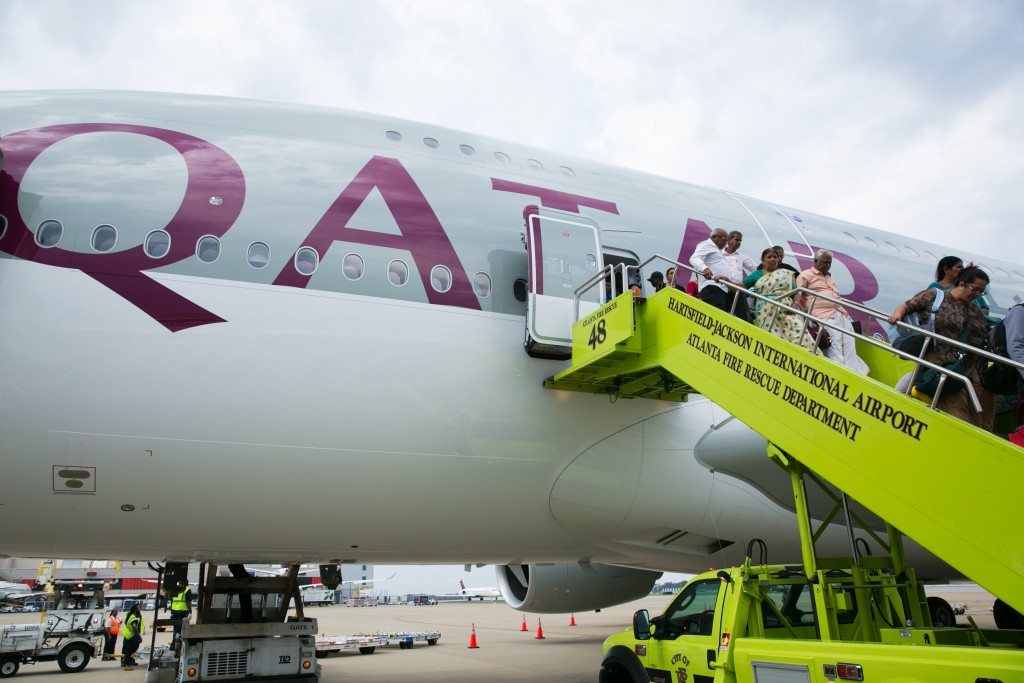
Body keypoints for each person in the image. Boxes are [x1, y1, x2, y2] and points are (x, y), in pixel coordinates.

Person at [886, 266, 995, 429]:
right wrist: (897, 315)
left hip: (970, 365)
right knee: (958, 413)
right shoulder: (936, 297)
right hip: (941, 362)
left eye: (982, 291)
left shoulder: (974, 310)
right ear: (962, 284)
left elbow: (981, 335)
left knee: (980, 417)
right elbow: (907, 306)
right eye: (975, 289)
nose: (978, 295)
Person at [796, 249, 868, 374]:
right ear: (815, 261)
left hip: (840, 314)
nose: (827, 265)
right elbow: (798, 293)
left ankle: (853, 373)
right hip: (822, 317)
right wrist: (794, 304)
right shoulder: (806, 275)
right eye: (824, 262)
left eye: (829, 263)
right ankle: (837, 373)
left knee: (848, 345)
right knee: (834, 347)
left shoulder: (829, 277)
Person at [750, 250, 816, 352]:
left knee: (800, 336)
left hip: (788, 309)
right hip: (766, 309)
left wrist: (795, 305)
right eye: (769, 257)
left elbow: (796, 292)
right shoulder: (757, 275)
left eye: (775, 257)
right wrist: (726, 279)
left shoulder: (786, 274)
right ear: (762, 261)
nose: (772, 259)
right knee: (774, 337)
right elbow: (740, 286)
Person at [689, 228, 750, 321]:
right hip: (712, 286)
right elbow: (694, 258)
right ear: (714, 237)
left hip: (722, 288)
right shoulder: (706, 244)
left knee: (724, 316)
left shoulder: (716, 249)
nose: (725, 243)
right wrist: (704, 268)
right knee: (716, 318)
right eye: (724, 239)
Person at [120, 604, 144, 670]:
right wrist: (139, 636)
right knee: (129, 650)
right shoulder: (134, 618)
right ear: (135, 610)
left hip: (128, 635)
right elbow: (134, 628)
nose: (140, 609)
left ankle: (127, 662)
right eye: (139, 608)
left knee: (129, 650)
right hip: (131, 635)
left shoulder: (130, 615)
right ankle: (127, 665)